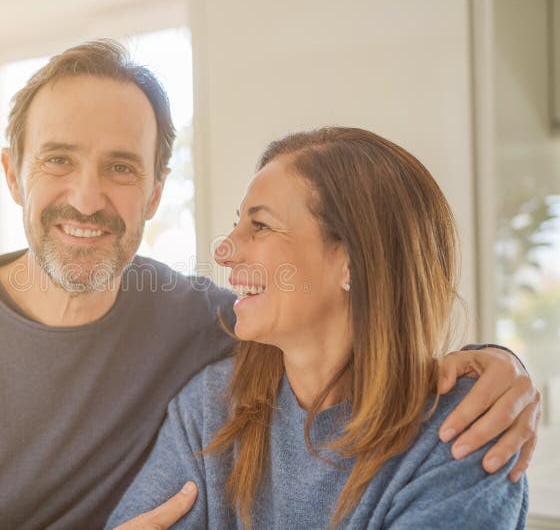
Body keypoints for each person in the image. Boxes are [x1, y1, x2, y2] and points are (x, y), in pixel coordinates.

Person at [0, 41, 539, 529]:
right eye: (58, 160)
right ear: (13, 174)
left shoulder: (206, 327)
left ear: (153, 192)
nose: (87, 199)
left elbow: (362, 337)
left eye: (121, 168)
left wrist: (501, 367)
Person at [107, 128, 529, 529]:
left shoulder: (471, 430)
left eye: (260, 226)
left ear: (352, 263)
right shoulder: (211, 407)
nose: (223, 250)